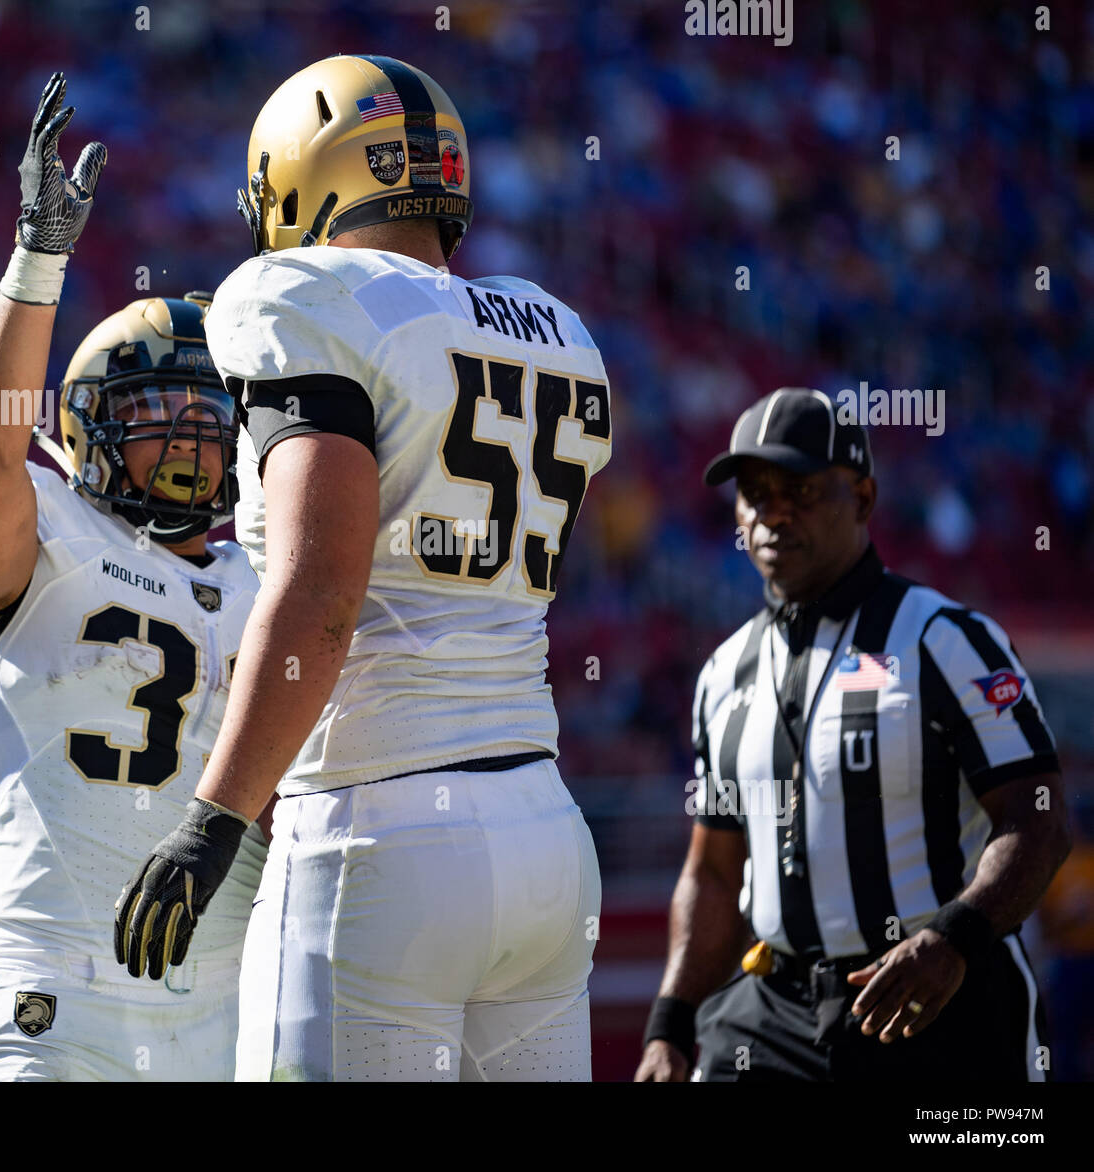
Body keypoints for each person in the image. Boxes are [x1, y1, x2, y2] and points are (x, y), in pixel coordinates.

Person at [115, 54, 612, 1082]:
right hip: (545, 832)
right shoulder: (552, 325)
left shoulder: (300, 294)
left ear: (302, 172)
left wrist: (210, 821)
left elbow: (323, 591)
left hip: (377, 829)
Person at [0, 73, 266, 1081]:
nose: (190, 441)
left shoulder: (273, 578)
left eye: (210, 418)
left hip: (224, 1011)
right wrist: (40, 257)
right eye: (160, 410)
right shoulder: (43, 527)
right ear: (86, 421)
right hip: (50, 1000)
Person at [635, 388, 1070, 1083]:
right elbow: (714, 871)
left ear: (863, 499)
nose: (771, 512)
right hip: (773, 1015)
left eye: (800, 489)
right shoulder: (723, 672)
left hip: (940, 1003)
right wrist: (670, 1024)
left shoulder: (947, 640)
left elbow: (1039, 822)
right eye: (754, 493)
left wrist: (952, 940)